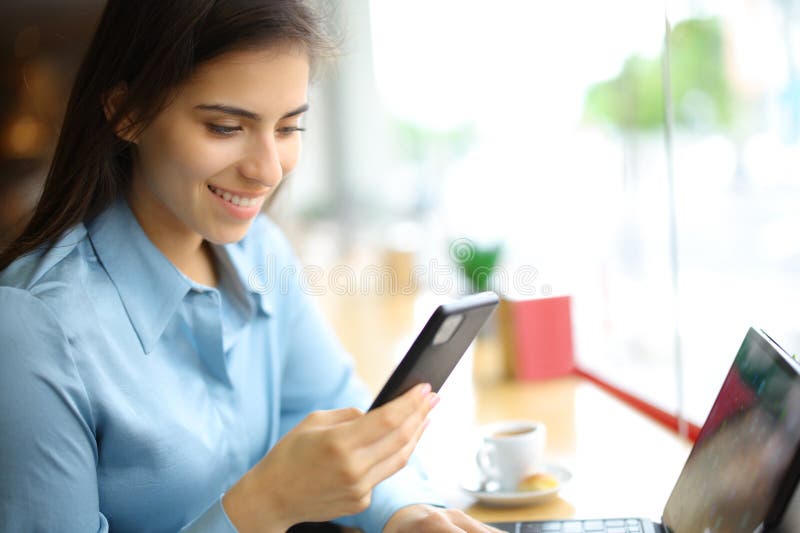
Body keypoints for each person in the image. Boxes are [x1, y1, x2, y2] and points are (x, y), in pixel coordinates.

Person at [0, 1, 501, 532]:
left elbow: (334, 411)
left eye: (288, 128)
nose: (268, 171)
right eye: (225, 127)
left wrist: (408, 515)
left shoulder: (260, 251)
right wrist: (265, 504)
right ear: (128, 113)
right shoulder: (32, 327)